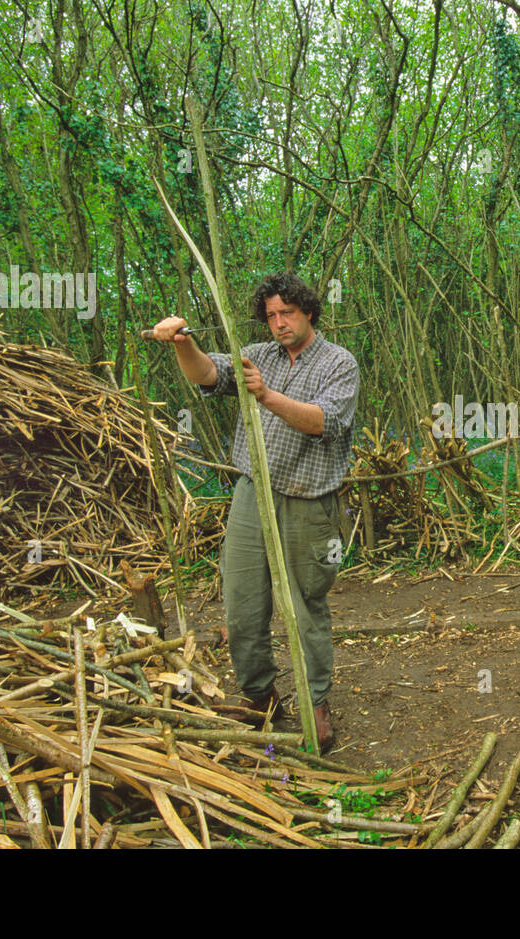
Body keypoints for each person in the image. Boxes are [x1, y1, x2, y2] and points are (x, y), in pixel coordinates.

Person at [150, 273, 358, 751]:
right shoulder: (257, 355)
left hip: (309, 502)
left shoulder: (338, 363)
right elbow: (208, 373)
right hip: (251, 492)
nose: (279, 323)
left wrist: (266, 396)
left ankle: (316, 701)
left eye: (287, 313)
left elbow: (323, 422)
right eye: (271, 316)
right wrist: (182, 342)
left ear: (308, 312)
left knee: (305, 606)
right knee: (242, 604)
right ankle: (259, 695)